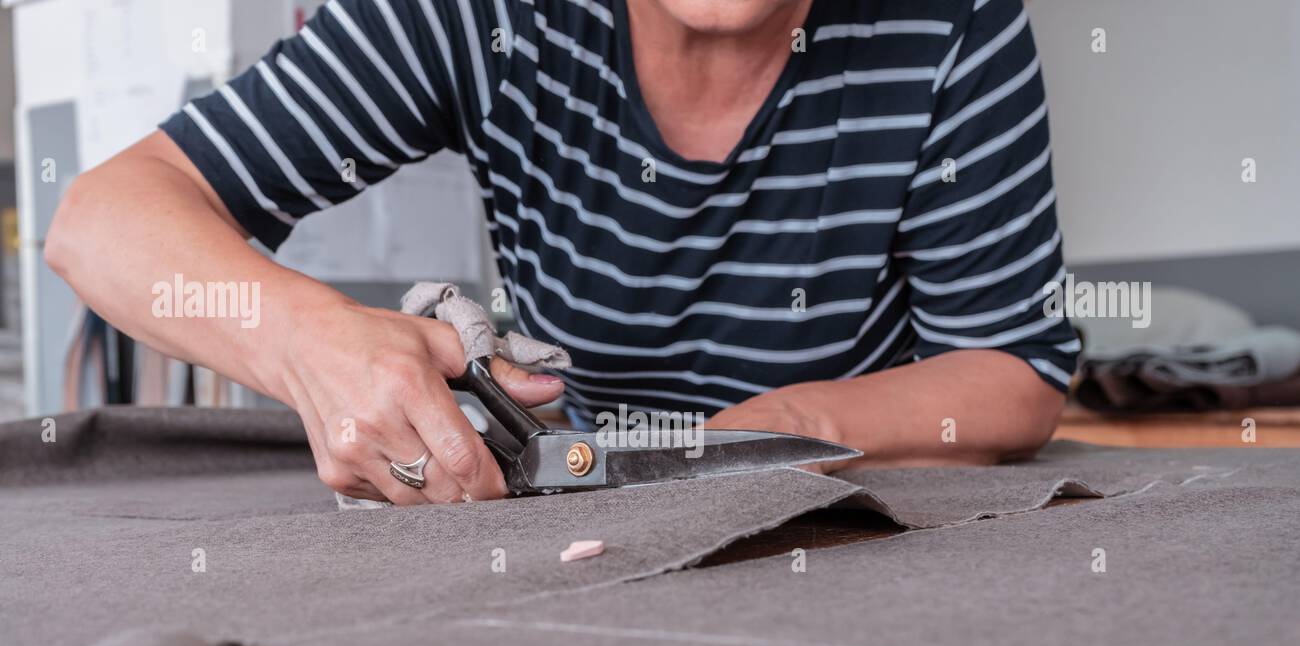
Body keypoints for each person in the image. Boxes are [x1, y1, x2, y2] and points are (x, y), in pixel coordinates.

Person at [46, 0, 1077, 505]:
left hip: (862, 517)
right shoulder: (484, 16)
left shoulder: (950, 23)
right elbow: (102, 219)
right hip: (577, 515)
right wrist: (311, 343)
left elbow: (1010, 370)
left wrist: (779, 432)